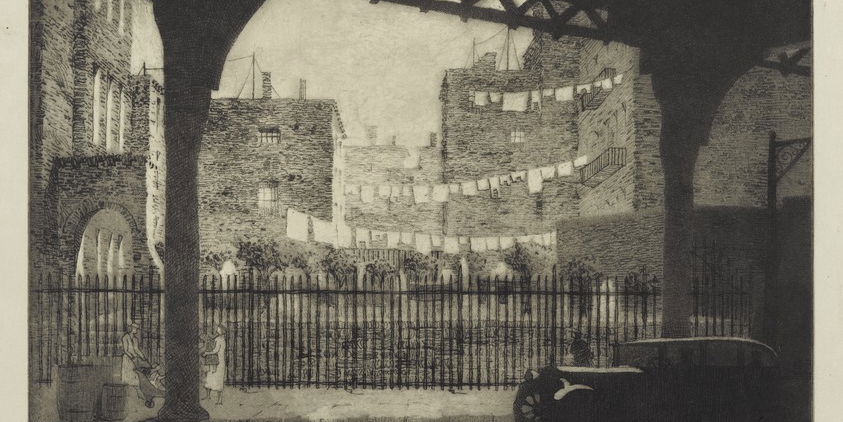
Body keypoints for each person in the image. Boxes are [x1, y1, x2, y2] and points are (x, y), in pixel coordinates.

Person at [202, 325, 227, 405]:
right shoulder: (217, 338)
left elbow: (215, 350)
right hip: (214, 361)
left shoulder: (221, 340)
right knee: (209, 377)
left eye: (219, 329)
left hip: (219, 362)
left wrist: (206, 353)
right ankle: (208, 396)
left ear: (222, 331)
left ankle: (219, 400)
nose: (217, 330)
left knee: (218, 380)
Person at [121, 322, 147, 388]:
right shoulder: (125, 337)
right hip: (128, 358)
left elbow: (137, 349)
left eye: (137, 329)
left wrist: (143, 357)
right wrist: (132, 357)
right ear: (131, 328)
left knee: (135, 373)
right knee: (128, 374)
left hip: (135, 359)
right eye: (135, 328)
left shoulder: (135, 339)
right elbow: (126, 350)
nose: (136, 330)